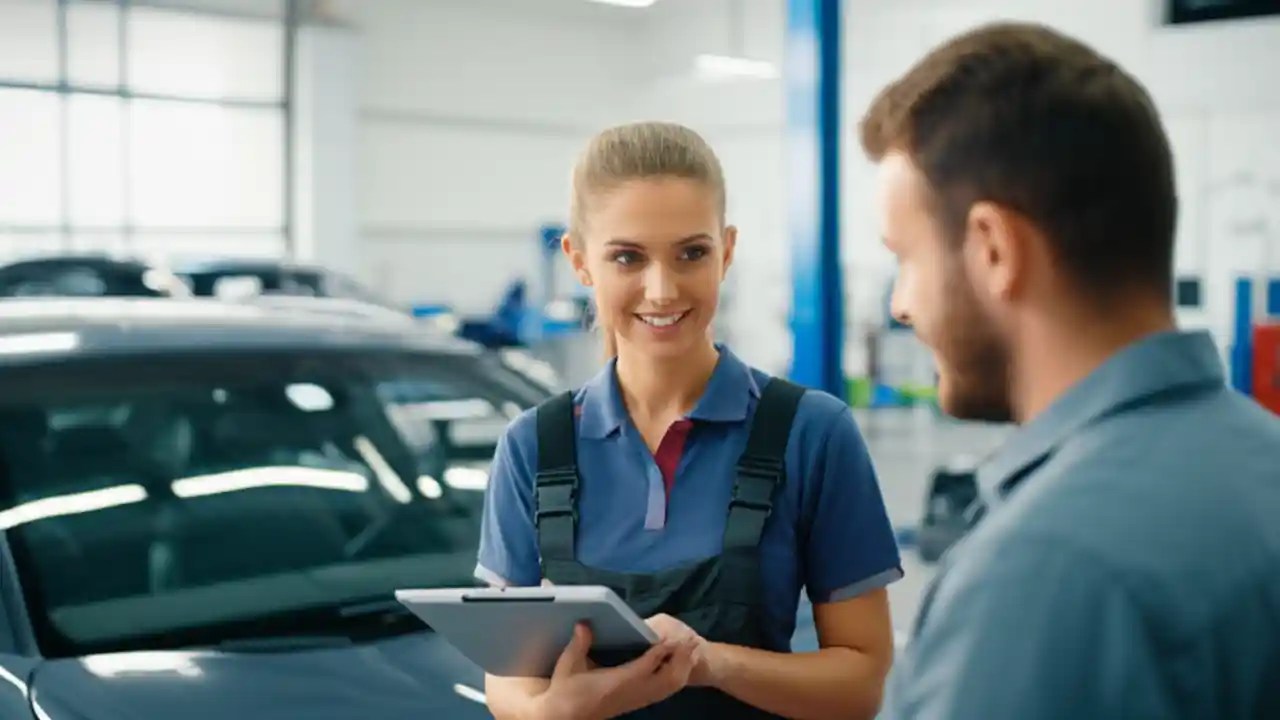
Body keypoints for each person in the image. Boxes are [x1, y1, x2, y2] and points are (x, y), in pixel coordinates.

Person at [859, 21, 1280, 719]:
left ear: (993, 248)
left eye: (906, 258)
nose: (901, 304)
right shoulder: (1262, 462)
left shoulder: (1043, 571)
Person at [476, 121, 903, 720]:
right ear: (578, 261)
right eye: (627, 256)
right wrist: (555, 714)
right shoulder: (534, 448)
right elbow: (508, 681)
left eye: (691, 253)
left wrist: (709, 663)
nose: (661, 289)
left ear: (726, 251)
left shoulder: (812, 434)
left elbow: (860, 683)